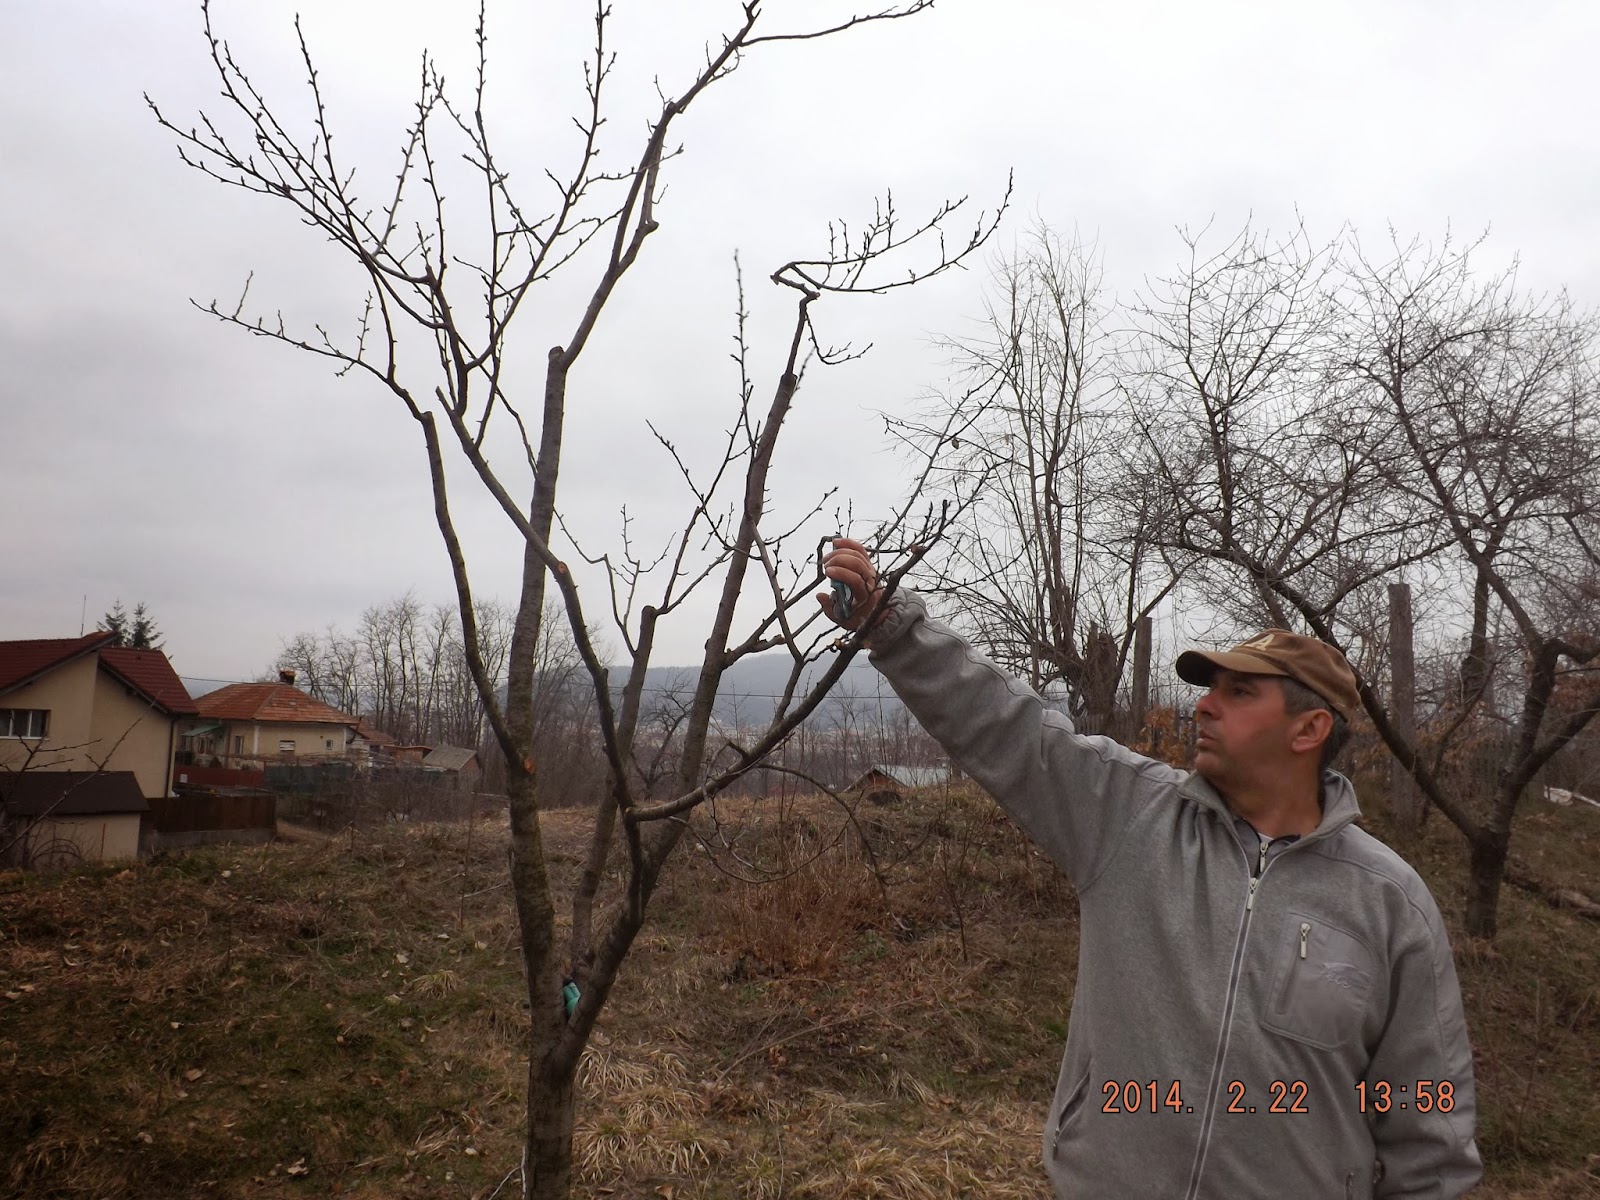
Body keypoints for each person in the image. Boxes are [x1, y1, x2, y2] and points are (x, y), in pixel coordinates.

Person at [819, 537, 1481, 1199]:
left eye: (1240, 693)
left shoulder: (1389, 903)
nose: (1205, 706)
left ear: (1308, 731)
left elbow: (1429, 1129)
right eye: (1211, 689)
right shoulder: (1129, 817)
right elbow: (1007, 728)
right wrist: (893, 627)